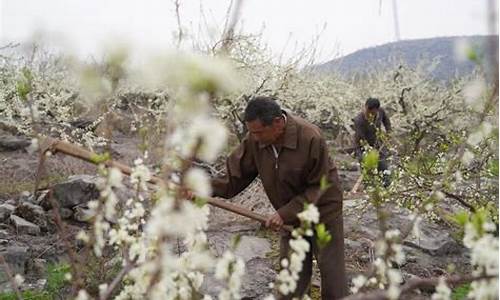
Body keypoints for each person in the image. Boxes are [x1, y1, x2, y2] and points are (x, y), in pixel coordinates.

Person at [211, 96, 347, 299]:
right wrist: (201, 187)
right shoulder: (255, 140)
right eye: (251, 132)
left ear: (277, 123)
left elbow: (320, 186)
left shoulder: (310, 138)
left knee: (333, 280)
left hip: (323, 213)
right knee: (290, 281)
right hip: (289, 218)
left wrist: (285, 213)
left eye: (258, 132)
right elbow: (234, 176)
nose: (254, 138)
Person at [352, 97, 392, 186]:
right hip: (362, 147)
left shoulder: (380, 112)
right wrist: (370, 152)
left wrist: (389, 131)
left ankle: (386, 189)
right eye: (368, 111)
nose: (370, 114)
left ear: (377, 110)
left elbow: (386, 121)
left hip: (378, 143)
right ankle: (369, 189)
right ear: (365, 107)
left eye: (372, 112)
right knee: (367, 170)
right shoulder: (359, 120)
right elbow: (361, 138)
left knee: (383, 166)